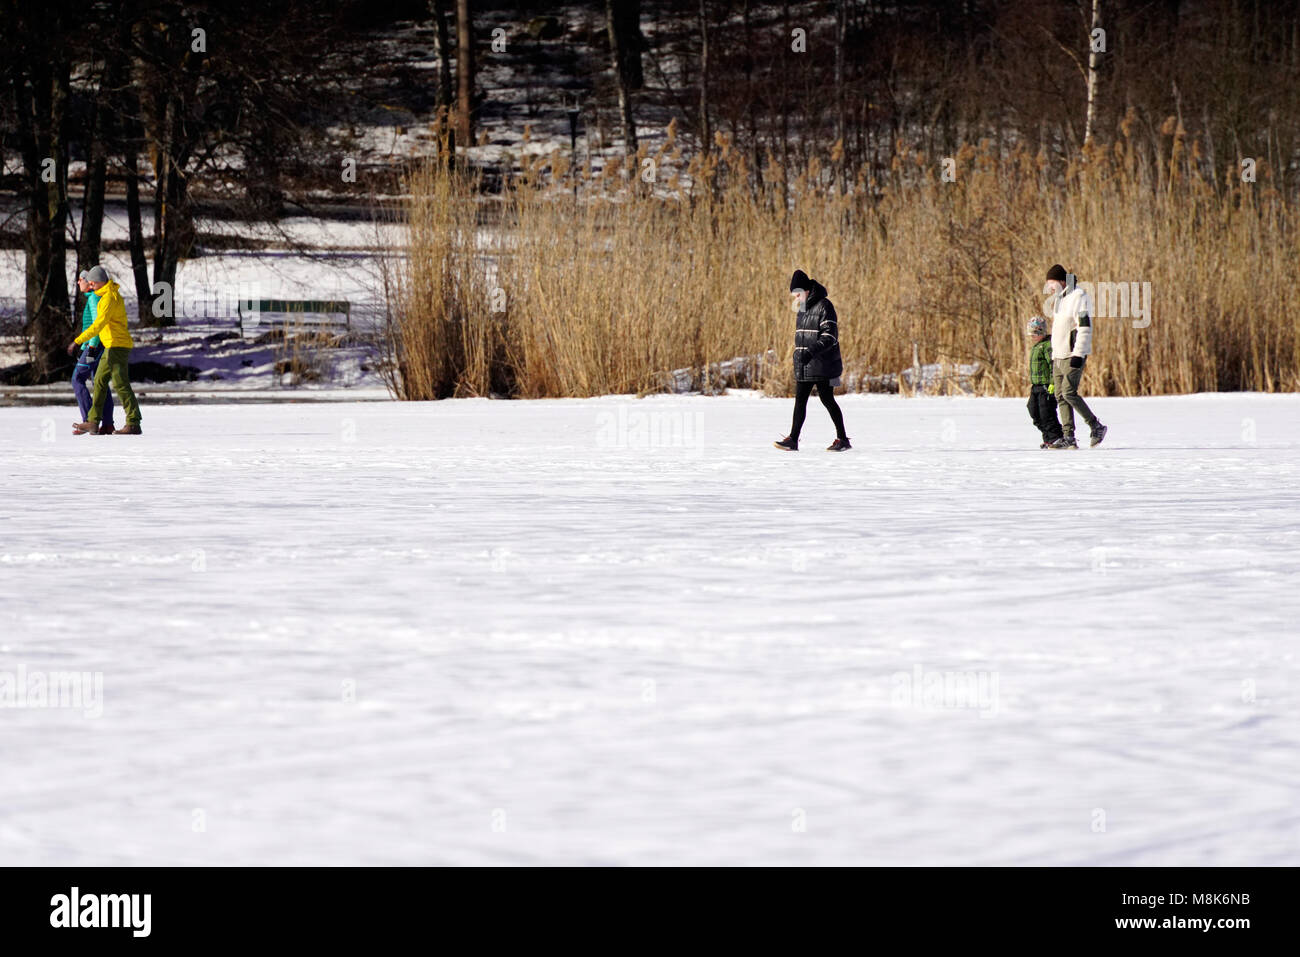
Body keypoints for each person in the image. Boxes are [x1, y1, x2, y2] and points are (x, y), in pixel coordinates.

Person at [774, 269, 850, 452]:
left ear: (807, 290)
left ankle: (842, 439)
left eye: (798, 294)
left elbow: (830, 336)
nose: (796, 298)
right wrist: (800, 356)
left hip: (824, 364)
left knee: (827, 399)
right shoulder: (802, 309)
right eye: (794, 295)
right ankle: (793, 439)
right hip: (805, 364)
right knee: (800, 400)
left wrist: (810, 352)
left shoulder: (825, 306)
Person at [68, 265, 142, 435]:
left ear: (99, 282)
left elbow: (98, 325)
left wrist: (78, 341)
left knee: (120, 384)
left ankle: (133, 422)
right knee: (100, 381)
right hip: (110, 345)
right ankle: (93, 422)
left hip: (117, 345)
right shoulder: (103, 296)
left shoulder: (108, 298)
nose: (90, 286)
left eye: (92, 283)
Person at [1043, 264, 1106, 449]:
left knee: (1069, 393)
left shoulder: (1079, 297)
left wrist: (1079, 352)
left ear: (1062, 281)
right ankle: (1068, 436)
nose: (1050, 287)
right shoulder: (1058, 300)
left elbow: (1084, 326)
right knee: (1060, 395)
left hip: (1073, 354)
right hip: (1059, 356)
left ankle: (1096, 426)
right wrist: (1054, 354)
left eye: (1052, 283)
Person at [70, 270, 115, 435]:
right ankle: (108, 424)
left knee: (77, 379)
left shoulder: (94, 298)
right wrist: (83, 347)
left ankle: (89, 420)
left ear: (88, 282)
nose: (78, 283)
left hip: (95, 346)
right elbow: (90, 326)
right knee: (99, 383)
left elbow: (97, 326)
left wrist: (90, 348)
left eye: (79, 280)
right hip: (95, 346)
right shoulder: (93, 298)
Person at [1025, 315, 1062, 448]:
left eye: (1035, 334)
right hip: (1036, 386)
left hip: (1046, 386)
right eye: (1031, 334)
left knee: (1047, 413)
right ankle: (1047, 437)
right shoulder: (1037, 346)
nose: (1032, 337)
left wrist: (1053, 382)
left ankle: (1056, 438)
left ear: (1042, 332)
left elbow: (1053, 365)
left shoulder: (1047, 345)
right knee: (1033, 411)